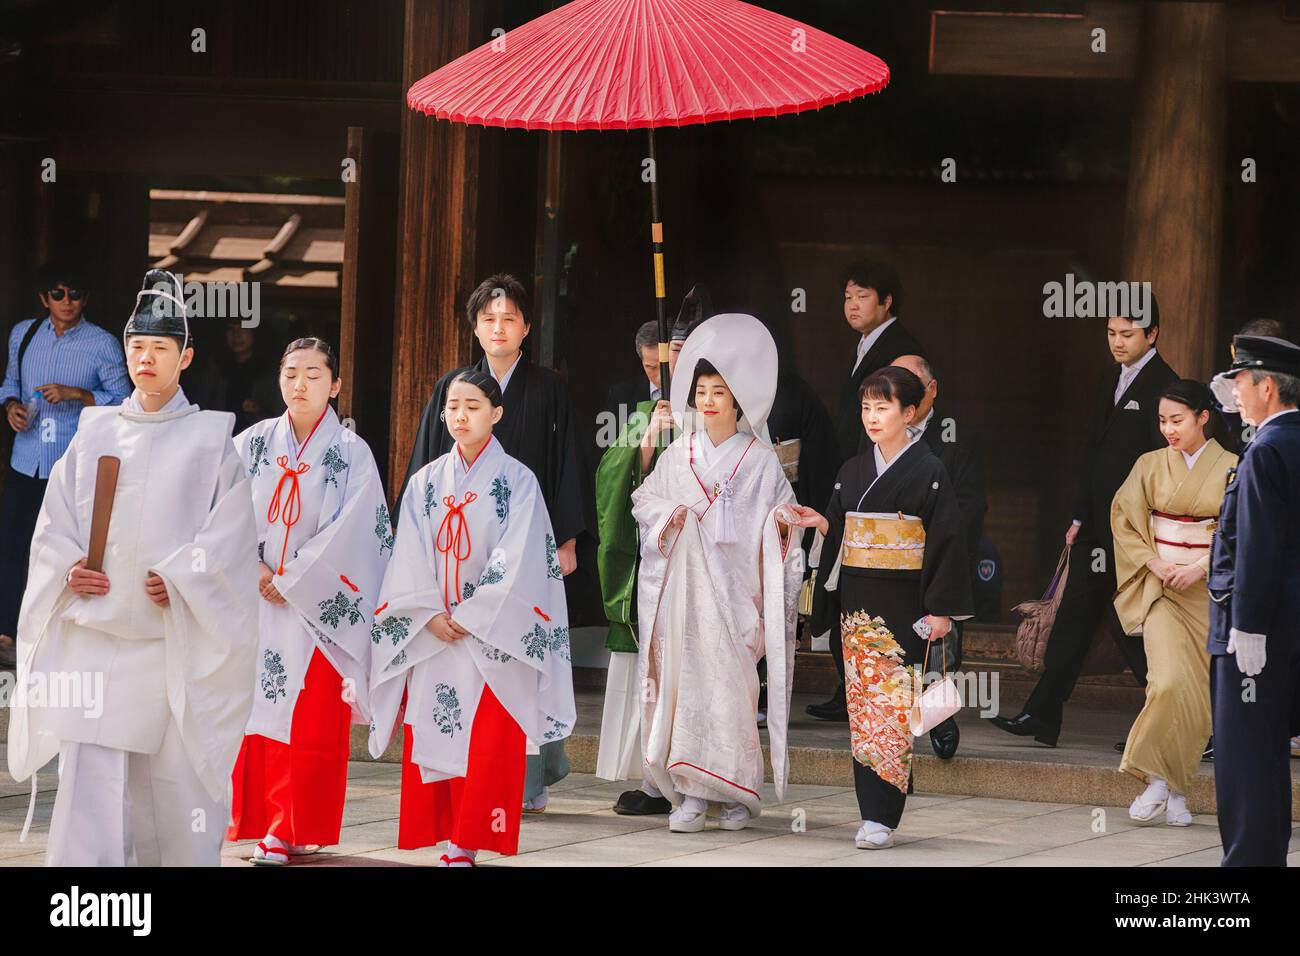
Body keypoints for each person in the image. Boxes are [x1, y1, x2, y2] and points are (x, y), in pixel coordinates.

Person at [6, 269, 258, 866]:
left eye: (160, 348)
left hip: (169, 637)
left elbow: (229, 539)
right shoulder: (94, 432)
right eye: (136, 347)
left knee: (170, 783)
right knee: (91, 778)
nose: (145, 359)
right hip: (96, 633)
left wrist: (181, 577)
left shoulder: (210, 441)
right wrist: (69, 567)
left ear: (185, 356)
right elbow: (55, 522)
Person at [368, 369, 574, 866]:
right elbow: (408, 554)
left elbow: (520, 557)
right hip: (435, 632)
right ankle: (446, 834)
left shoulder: (519, 481)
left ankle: (468, 840)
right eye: (453, 406)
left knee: (486, 743)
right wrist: (430, 613)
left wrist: (474, 613)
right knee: (439, 728)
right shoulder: (423, 483)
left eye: (474, 406)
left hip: (491, 636)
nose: (461, 415)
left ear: (496, 414)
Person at [401, 273, 590, 812]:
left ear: (527, 327)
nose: (499, 327)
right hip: (462, 549)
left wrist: (568, 538)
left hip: (527, 545)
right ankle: (461, 772)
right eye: (489, 319)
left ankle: (529, 779)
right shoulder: (454, 388)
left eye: (510, 318)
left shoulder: (550, 388)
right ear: (476, 328)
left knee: (519, 647)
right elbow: (427, 467)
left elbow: (566, 464)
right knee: (462, 660)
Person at [630, 314, 804, 833]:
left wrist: (782, 527)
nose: (708, 401)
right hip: (686, 600)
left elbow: (783, 517)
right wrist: (670, 518)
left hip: (736, 597)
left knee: (733, 694)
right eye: (701, 390)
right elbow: (645, 501)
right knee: (688, 691)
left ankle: (735, 795)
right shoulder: (679, 453)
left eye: (719, 391)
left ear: (737, 400)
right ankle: (690, 796)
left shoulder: (759, 461)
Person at [227, 337, 391, 865]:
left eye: (314, 374)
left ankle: (291, 826)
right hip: (254, 598)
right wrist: (252, 567)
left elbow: (359, 533)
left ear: (335, 385)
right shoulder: (250, 443)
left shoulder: (351, 453)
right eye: (291, 372)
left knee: (310, 715)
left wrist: (293, 578)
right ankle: (261, 821)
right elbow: (220, 514)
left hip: (318, 609)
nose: (300, 384)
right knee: (255, 709)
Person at [803, 366, 973, 849]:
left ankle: (882, 815)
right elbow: (840, 530)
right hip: (857, 604)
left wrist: (941, 611)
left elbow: (945, 541)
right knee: (863, 709)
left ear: (910, 412)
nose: (872, 418)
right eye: (866, 408)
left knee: (892, 708)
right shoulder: (852, 470)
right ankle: (871, 811)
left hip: (905, 605)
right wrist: (821, 522)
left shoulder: (930, 470)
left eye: (883, 408)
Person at [991, 303, 1177, 745]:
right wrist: (1078, 516)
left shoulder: (1166, 386)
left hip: (1134, 530)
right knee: (1075, 615)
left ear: (1152, 334)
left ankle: (1175, 720)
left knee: (1128, 624)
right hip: (1097, 526)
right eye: (1111, 332)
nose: (1117, 341)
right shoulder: (1109, 378)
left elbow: (1164, 464)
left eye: (1127, 334)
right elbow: (1093, 454)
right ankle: (1043, 715)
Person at [1110, 380, 1235, 827]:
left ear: (1205, 417)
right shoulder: (1149, 465)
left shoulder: (1233, 467)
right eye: (1162, 421)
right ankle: (1156, 780)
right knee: (1165, 682)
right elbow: (1124, 518)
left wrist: (1201, 567)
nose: (1168, 429)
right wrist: (1153, 562)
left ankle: (1177, 788)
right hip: (1162, 588)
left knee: (1195, 697)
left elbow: (1238, 530)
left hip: (1208, 593)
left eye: (1177, 420)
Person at [0, 264, 130, 668]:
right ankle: (7, 633)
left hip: (72, 466)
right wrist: (11, 408)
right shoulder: (24, 334)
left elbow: (126, 399)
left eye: (75, 294)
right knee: (13, 547)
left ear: (85, 298)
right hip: (26, 459)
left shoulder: (103, 344)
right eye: (58, 294)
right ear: (44, 299)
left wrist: (79, 393)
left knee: (65, 552)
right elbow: (9, 384)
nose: (67, 302)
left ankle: (58, 635)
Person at [594, 297, 694, 817]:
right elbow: (612, 480)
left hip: (700, 568)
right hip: (650, 566)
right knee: (647, 672)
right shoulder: (637, 412)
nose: (667, 370)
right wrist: (645, 446)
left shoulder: (720, 411)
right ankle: (652, 778)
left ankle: (694, 777)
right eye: (659, 362)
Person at [1205, 334, 1300, 867]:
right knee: (1264, 756)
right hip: (1287, 622)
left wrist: (1247, 625)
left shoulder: (1266, 448)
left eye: (1242, 382)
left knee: (1247, 759)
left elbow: (1258, 545)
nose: (1236, 392)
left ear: (1267, 387)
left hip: (1255, 629)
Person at [832, 260, 924, 464]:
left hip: (880, 464)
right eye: (848, 297)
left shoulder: (901, 349)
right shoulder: (866, 343)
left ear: (887, 301)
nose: (852, 305)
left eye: (862, 296)